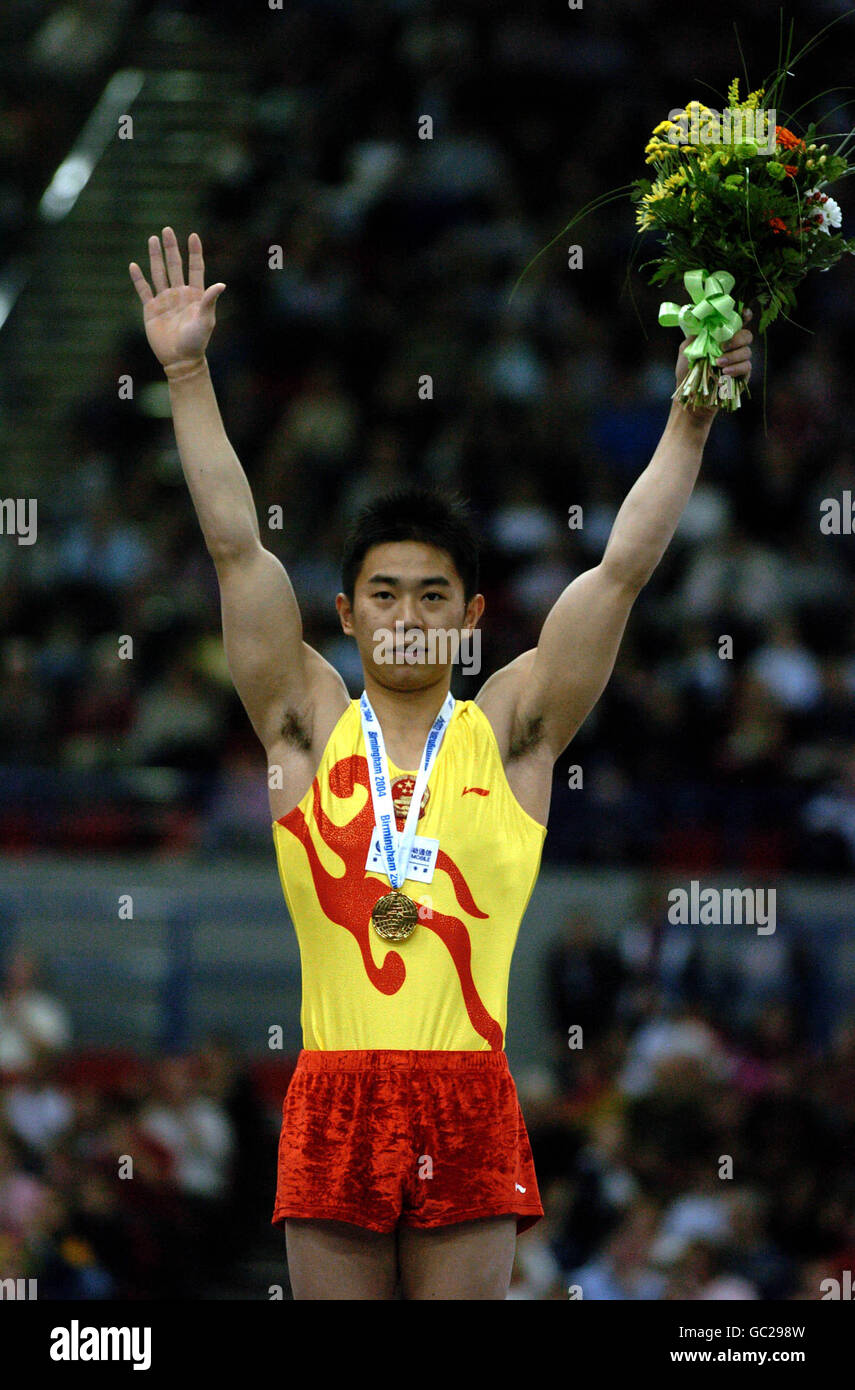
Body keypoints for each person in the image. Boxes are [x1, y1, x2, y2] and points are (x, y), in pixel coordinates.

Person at [129, 227, 752, 1299]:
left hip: (468, 1093)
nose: (407, 617)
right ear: (346, 614)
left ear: (470, 617)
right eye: (383, 595)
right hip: (334, 1092)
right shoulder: (304, 723)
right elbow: (236, 547)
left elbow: (621, 569)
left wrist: (690, 415)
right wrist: (186, 376)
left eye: (432, 597)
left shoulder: (513, 729)